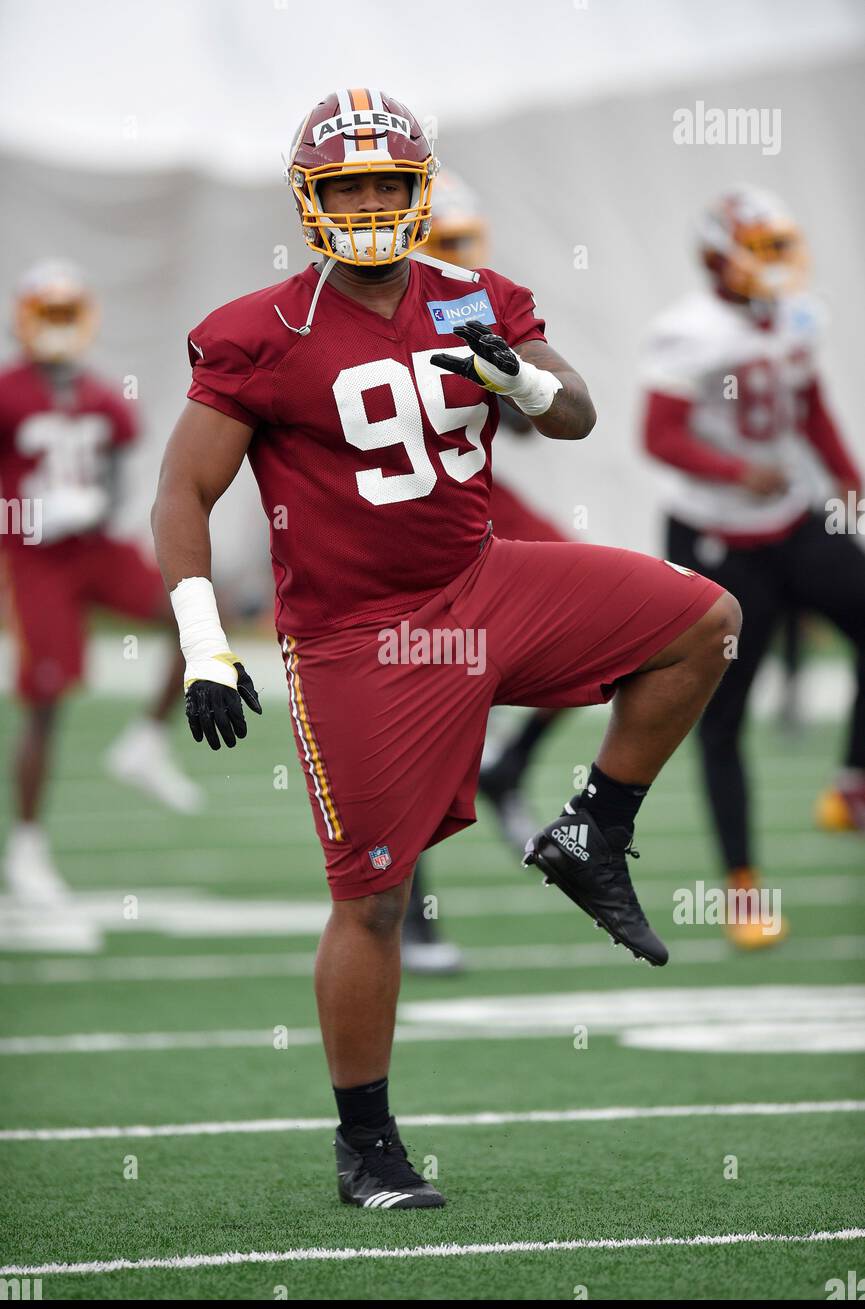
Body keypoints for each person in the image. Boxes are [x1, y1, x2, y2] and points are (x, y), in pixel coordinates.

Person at [152, 89, 738, 1209]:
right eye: (347, 186)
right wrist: (202, 643)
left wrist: (514, 379)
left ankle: (590, 831)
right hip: (357, 634)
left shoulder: (476, 292)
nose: (370, 203)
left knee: (701, 621)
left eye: (387, 183)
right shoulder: (259, 329)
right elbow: (184, 486)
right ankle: (365, 1145)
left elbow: (573, 413)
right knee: (373, 897)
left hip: (483, 580)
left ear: (419, 190)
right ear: (310, 200)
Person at [641, 186, 865, 948]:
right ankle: (741, 888)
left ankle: (850, 786)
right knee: (722, 714)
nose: (775, 265)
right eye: (760, 250)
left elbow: (809, 406)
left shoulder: (799, 316)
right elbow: (659, 437)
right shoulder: (687, 332)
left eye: (778, 248)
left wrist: (847, 480)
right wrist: (735, 474)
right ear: (717, 256)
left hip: (790, 515)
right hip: (716, 536)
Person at [402, 168, 572, 974]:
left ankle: (508, 766)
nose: (456, 267)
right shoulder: (342, 312)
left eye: (465, 248)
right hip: (389, 526)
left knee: (608, 616)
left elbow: (538, 428)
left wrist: (509, 379)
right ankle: (409, 908)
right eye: (445, 247)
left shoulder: (470, 301)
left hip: (473, 496)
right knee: (411, 716)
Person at [0, 261, 202, 909]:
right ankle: (27, 846)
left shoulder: (102, 396)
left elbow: (115, 487)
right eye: (49, 315)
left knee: (198, 616)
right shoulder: (7, 392)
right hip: (32, 557)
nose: (58, 329)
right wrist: (33, 515)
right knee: (47, 701)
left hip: (93, 549)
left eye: (67, 315)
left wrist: (92, 508)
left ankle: (145, 744)